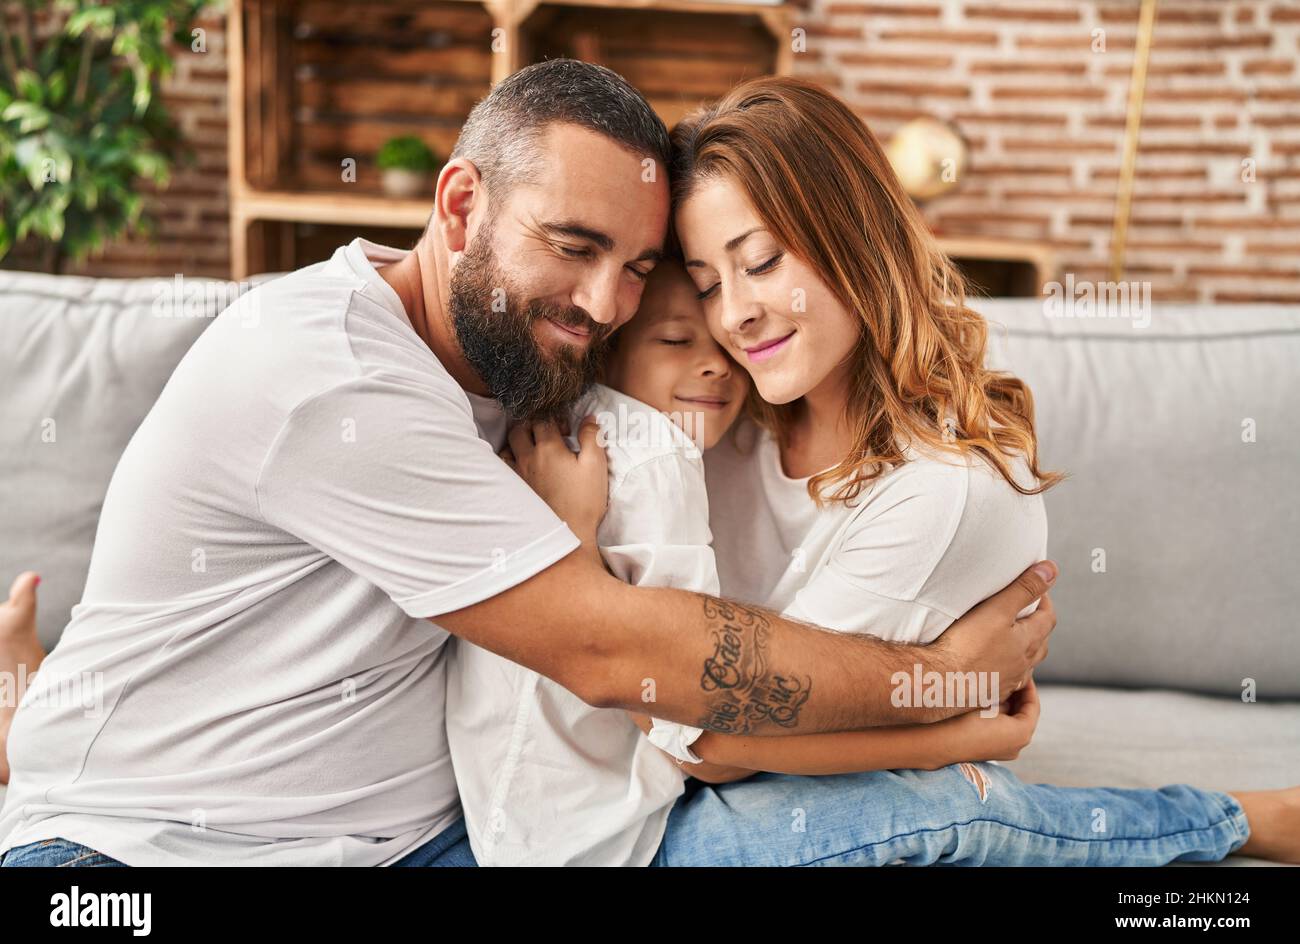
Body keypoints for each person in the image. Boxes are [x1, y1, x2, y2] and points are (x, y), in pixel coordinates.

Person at [0, 59, 1055, 868]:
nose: (604, 304)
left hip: (421, 842)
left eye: (638, 268)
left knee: (921, 821)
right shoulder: (327, 373)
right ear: (459, 206)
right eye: (571, 243)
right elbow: (617, 653)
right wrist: (942, 684)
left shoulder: (540, 360)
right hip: (143, 855)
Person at [493, 76, 1300, 866]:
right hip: (647, 786)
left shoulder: (949, 493)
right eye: (706, 284)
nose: (732, 315)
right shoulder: (720, 415)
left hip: (728, 787)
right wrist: (960, 710)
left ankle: (1214, 820)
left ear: (855, 242)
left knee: (936, 813)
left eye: (763, 261)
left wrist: (958, 727)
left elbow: (714, 746)